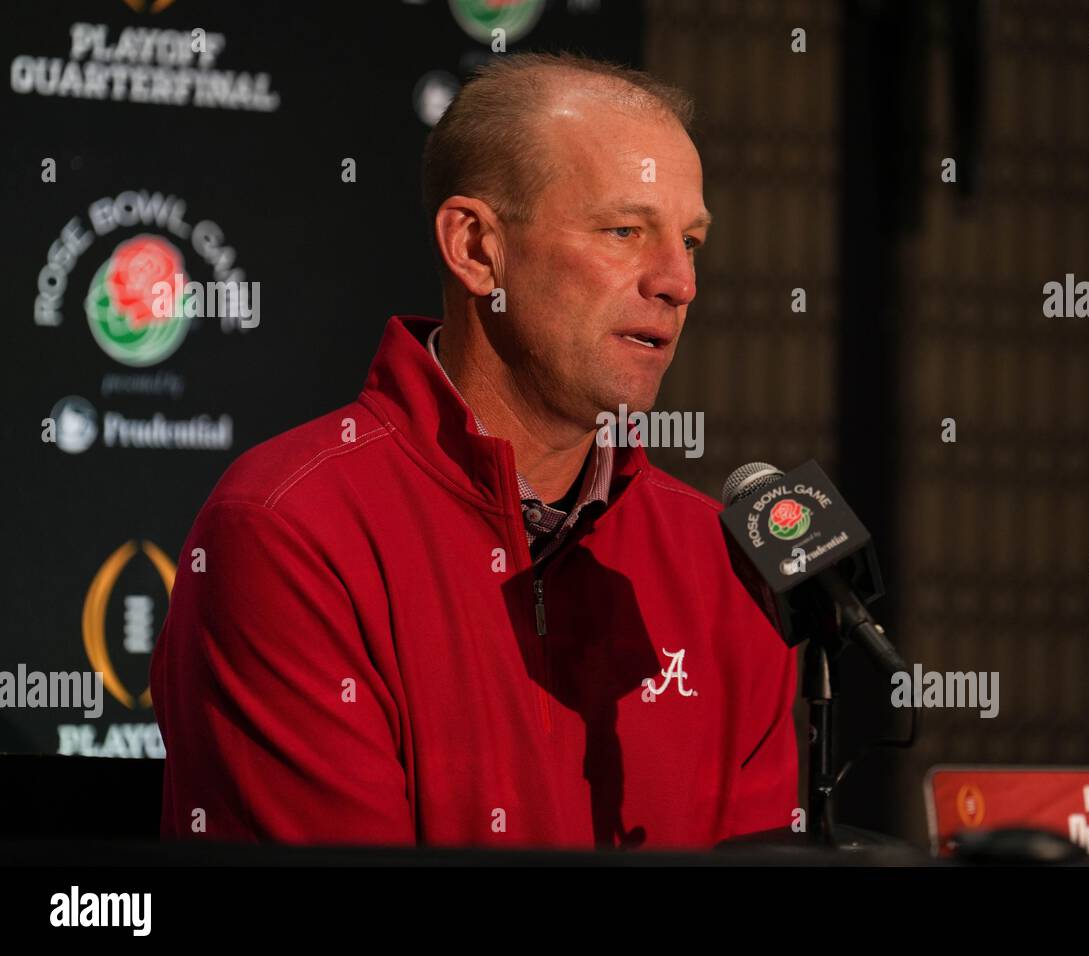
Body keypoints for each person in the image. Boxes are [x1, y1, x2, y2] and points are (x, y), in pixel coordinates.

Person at [150, 52, 798, 849]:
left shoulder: (724, 568)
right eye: (626, 230)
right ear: (476, 248)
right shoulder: (287, 533)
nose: (678, 282)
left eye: (691, 242)